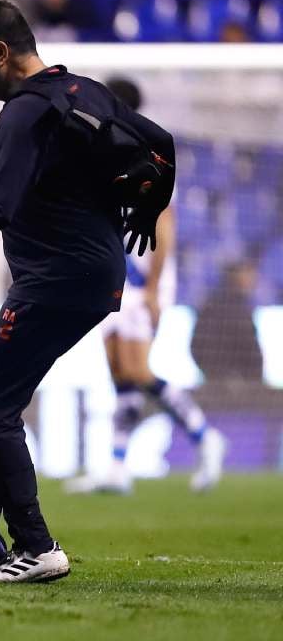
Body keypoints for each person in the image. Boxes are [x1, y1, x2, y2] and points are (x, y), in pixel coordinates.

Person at [0, 0, 175, 583]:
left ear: (1, 54)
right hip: (92, 274)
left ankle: (35, 544)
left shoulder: (21, 114)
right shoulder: (84, 91)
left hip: (58, 276)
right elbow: (163, 144)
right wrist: (149, 207)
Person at [67, 78, 225, 496]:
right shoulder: (106, 148)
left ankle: (204, 435)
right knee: (120, 373)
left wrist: (154, 288)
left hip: (142, 278)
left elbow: (165, 223)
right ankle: (118, 468)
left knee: (137, 368)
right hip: (114, 273)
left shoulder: (146, 149)